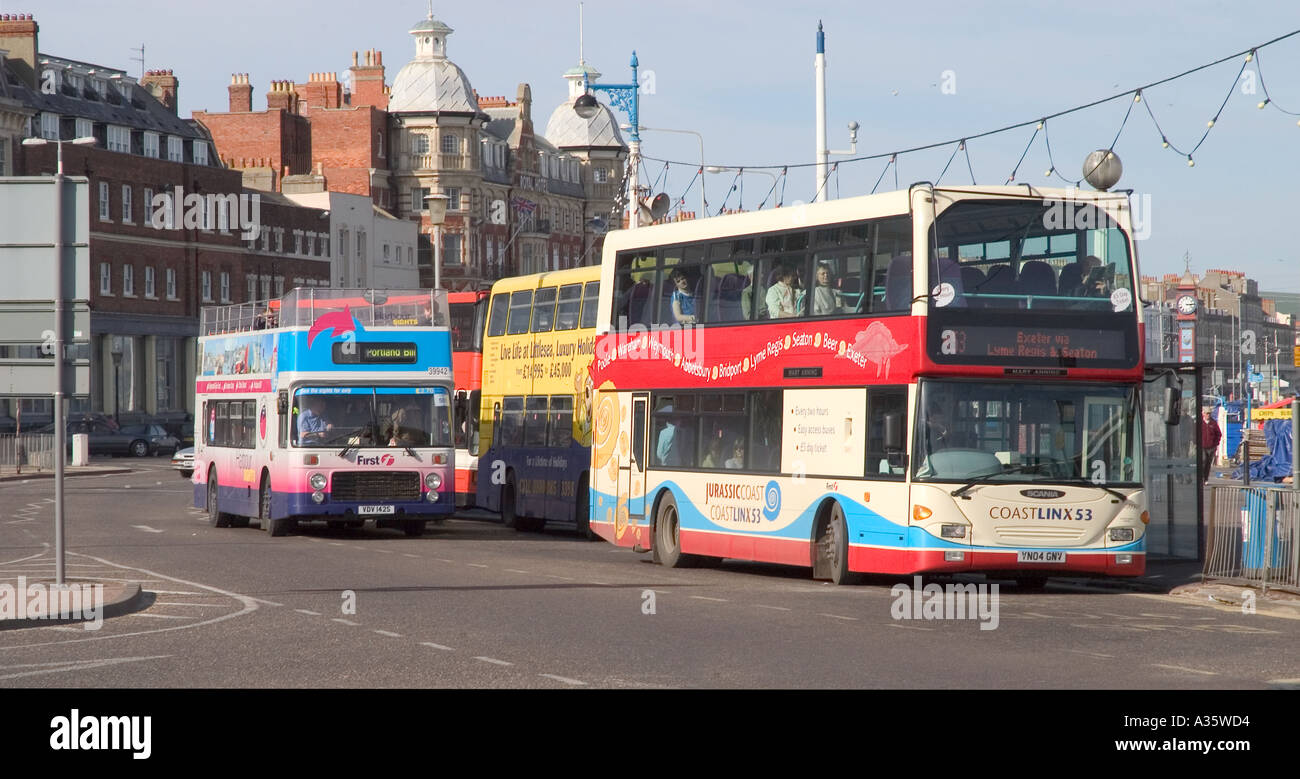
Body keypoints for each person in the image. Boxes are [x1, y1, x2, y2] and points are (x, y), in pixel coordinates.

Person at [1200, 409, 1222, 482]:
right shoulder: (1200, 423)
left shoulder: (1213, 423)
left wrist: (1216, 443)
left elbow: (1218, 434)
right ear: (1203, 414)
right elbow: (1194, 433)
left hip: (1211, 447)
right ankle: (1201, 477)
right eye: (1206, 413)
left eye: (1209, 413)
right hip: (1202, 446)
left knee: (1208, 463)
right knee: (1203, 461)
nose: (1208, 415)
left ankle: (1206, 478)